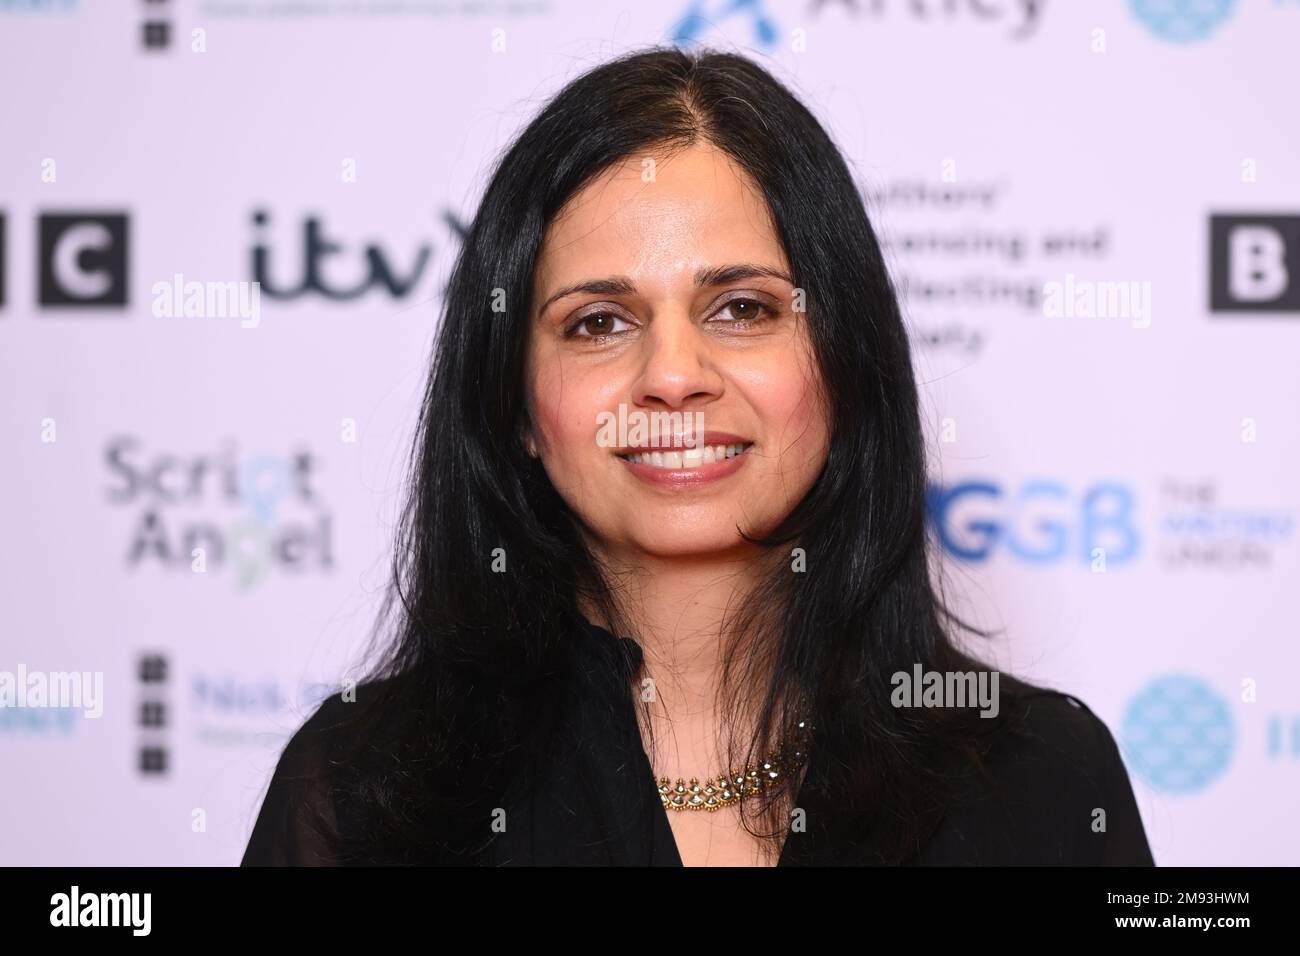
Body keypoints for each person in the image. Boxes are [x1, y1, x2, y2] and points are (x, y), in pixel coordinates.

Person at [242, 46, 1154, 867]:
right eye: (598, 323)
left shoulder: (1045, 783)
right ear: (515, 403)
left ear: (844, 359)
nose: (674, 377)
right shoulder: (367, 795)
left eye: (744, 309)